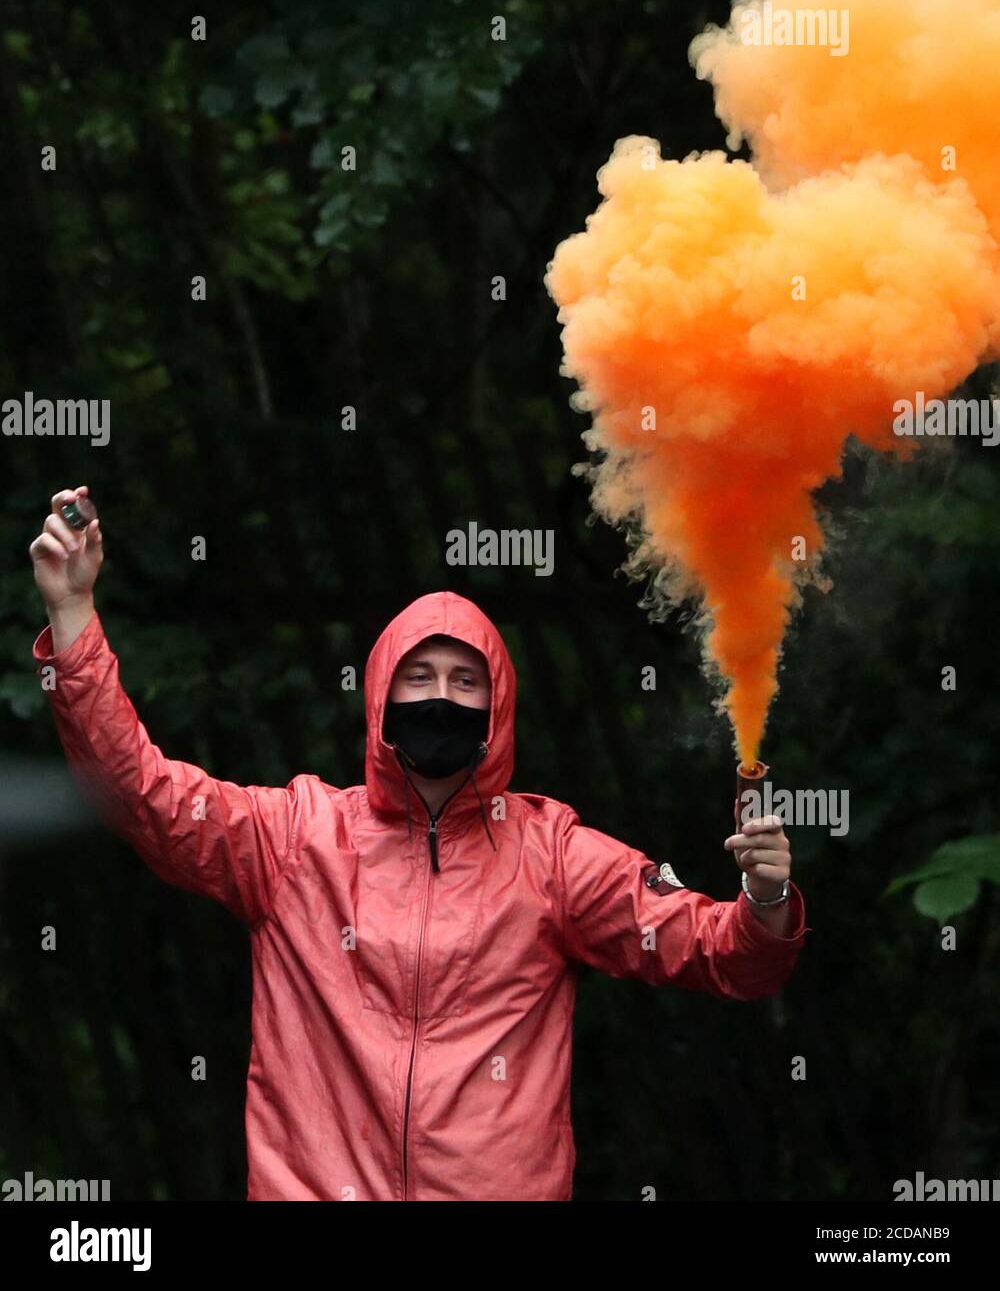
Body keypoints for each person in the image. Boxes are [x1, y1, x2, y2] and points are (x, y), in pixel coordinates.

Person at [29, 484, 810, 1202]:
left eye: (466, 681)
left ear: (498, 706)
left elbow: (720, 954)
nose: (441, 697)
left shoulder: (552, 854)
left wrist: (765, 899)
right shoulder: (297, 838)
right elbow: (141, 794)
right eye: (420, 677)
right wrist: (72, 615)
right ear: (381, 694)